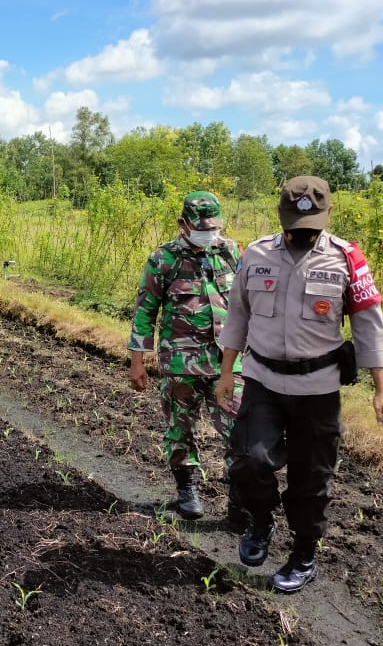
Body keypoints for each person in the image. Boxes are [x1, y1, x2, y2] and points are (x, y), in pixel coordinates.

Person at [214, 175, 383, 593]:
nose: (302, 233)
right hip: (261, 379)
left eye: (312, 225)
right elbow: (238, 315)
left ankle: (303, 555)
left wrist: (382, 391)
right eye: (295, 225)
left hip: (317, 389)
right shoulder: (256, 254)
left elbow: (369, 328)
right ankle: (260, 521)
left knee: (311, 479)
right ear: (280, 217)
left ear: (328, 215)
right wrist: (227, 372)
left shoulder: (347, 258)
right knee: (249, 460)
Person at [128, 191, 243, 523]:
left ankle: (238, 499)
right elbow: (145, 312)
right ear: (183, 224)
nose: (208, 234)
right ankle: (186, 488)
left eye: (214, 227)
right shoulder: (163, 259)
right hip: (181, 364)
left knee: (239, 431)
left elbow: (250, 305)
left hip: (228, 364)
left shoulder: (233, 252)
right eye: (201, 228)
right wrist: (138, 361)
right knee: (180, 428)